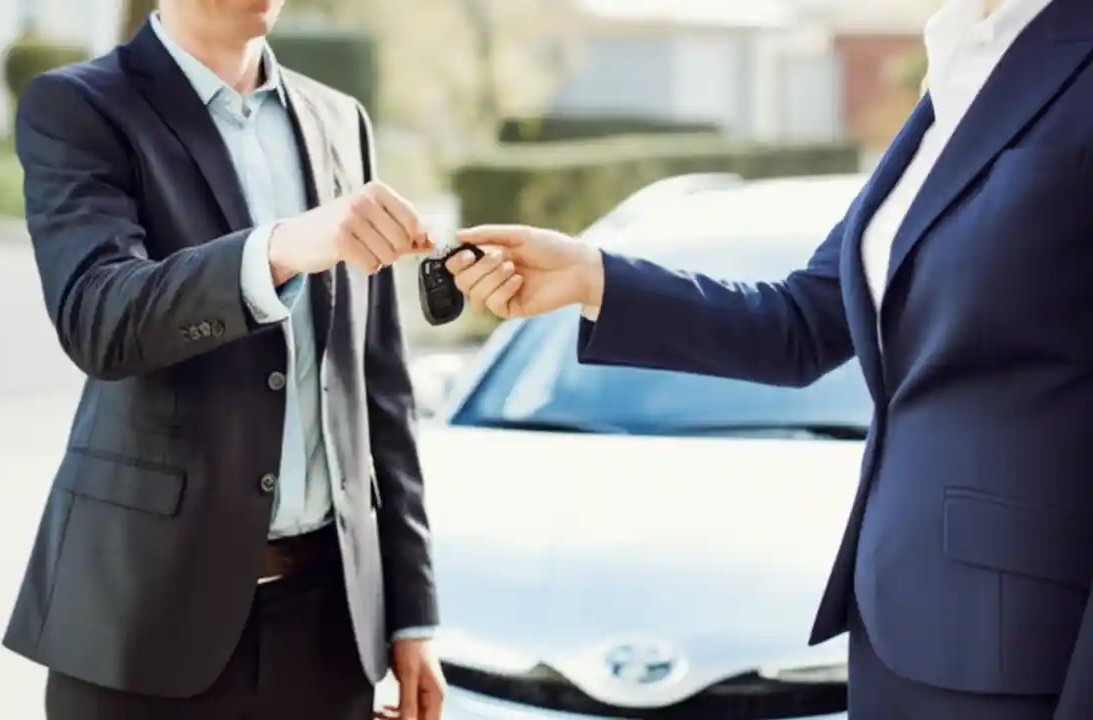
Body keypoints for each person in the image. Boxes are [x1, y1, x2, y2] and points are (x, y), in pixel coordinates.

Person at [447, 0, 1093, 717]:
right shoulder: (961, 66)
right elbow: (803, 323)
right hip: (901, 623)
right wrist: (593, 277)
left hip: (1035, 649)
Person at [2, 1, 445, 718]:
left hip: (331, 632)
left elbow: (379, 383)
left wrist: (411, 612)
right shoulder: (79, 108)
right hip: (143, 627)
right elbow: (99, 318)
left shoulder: (340, 121)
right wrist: (281, 249)